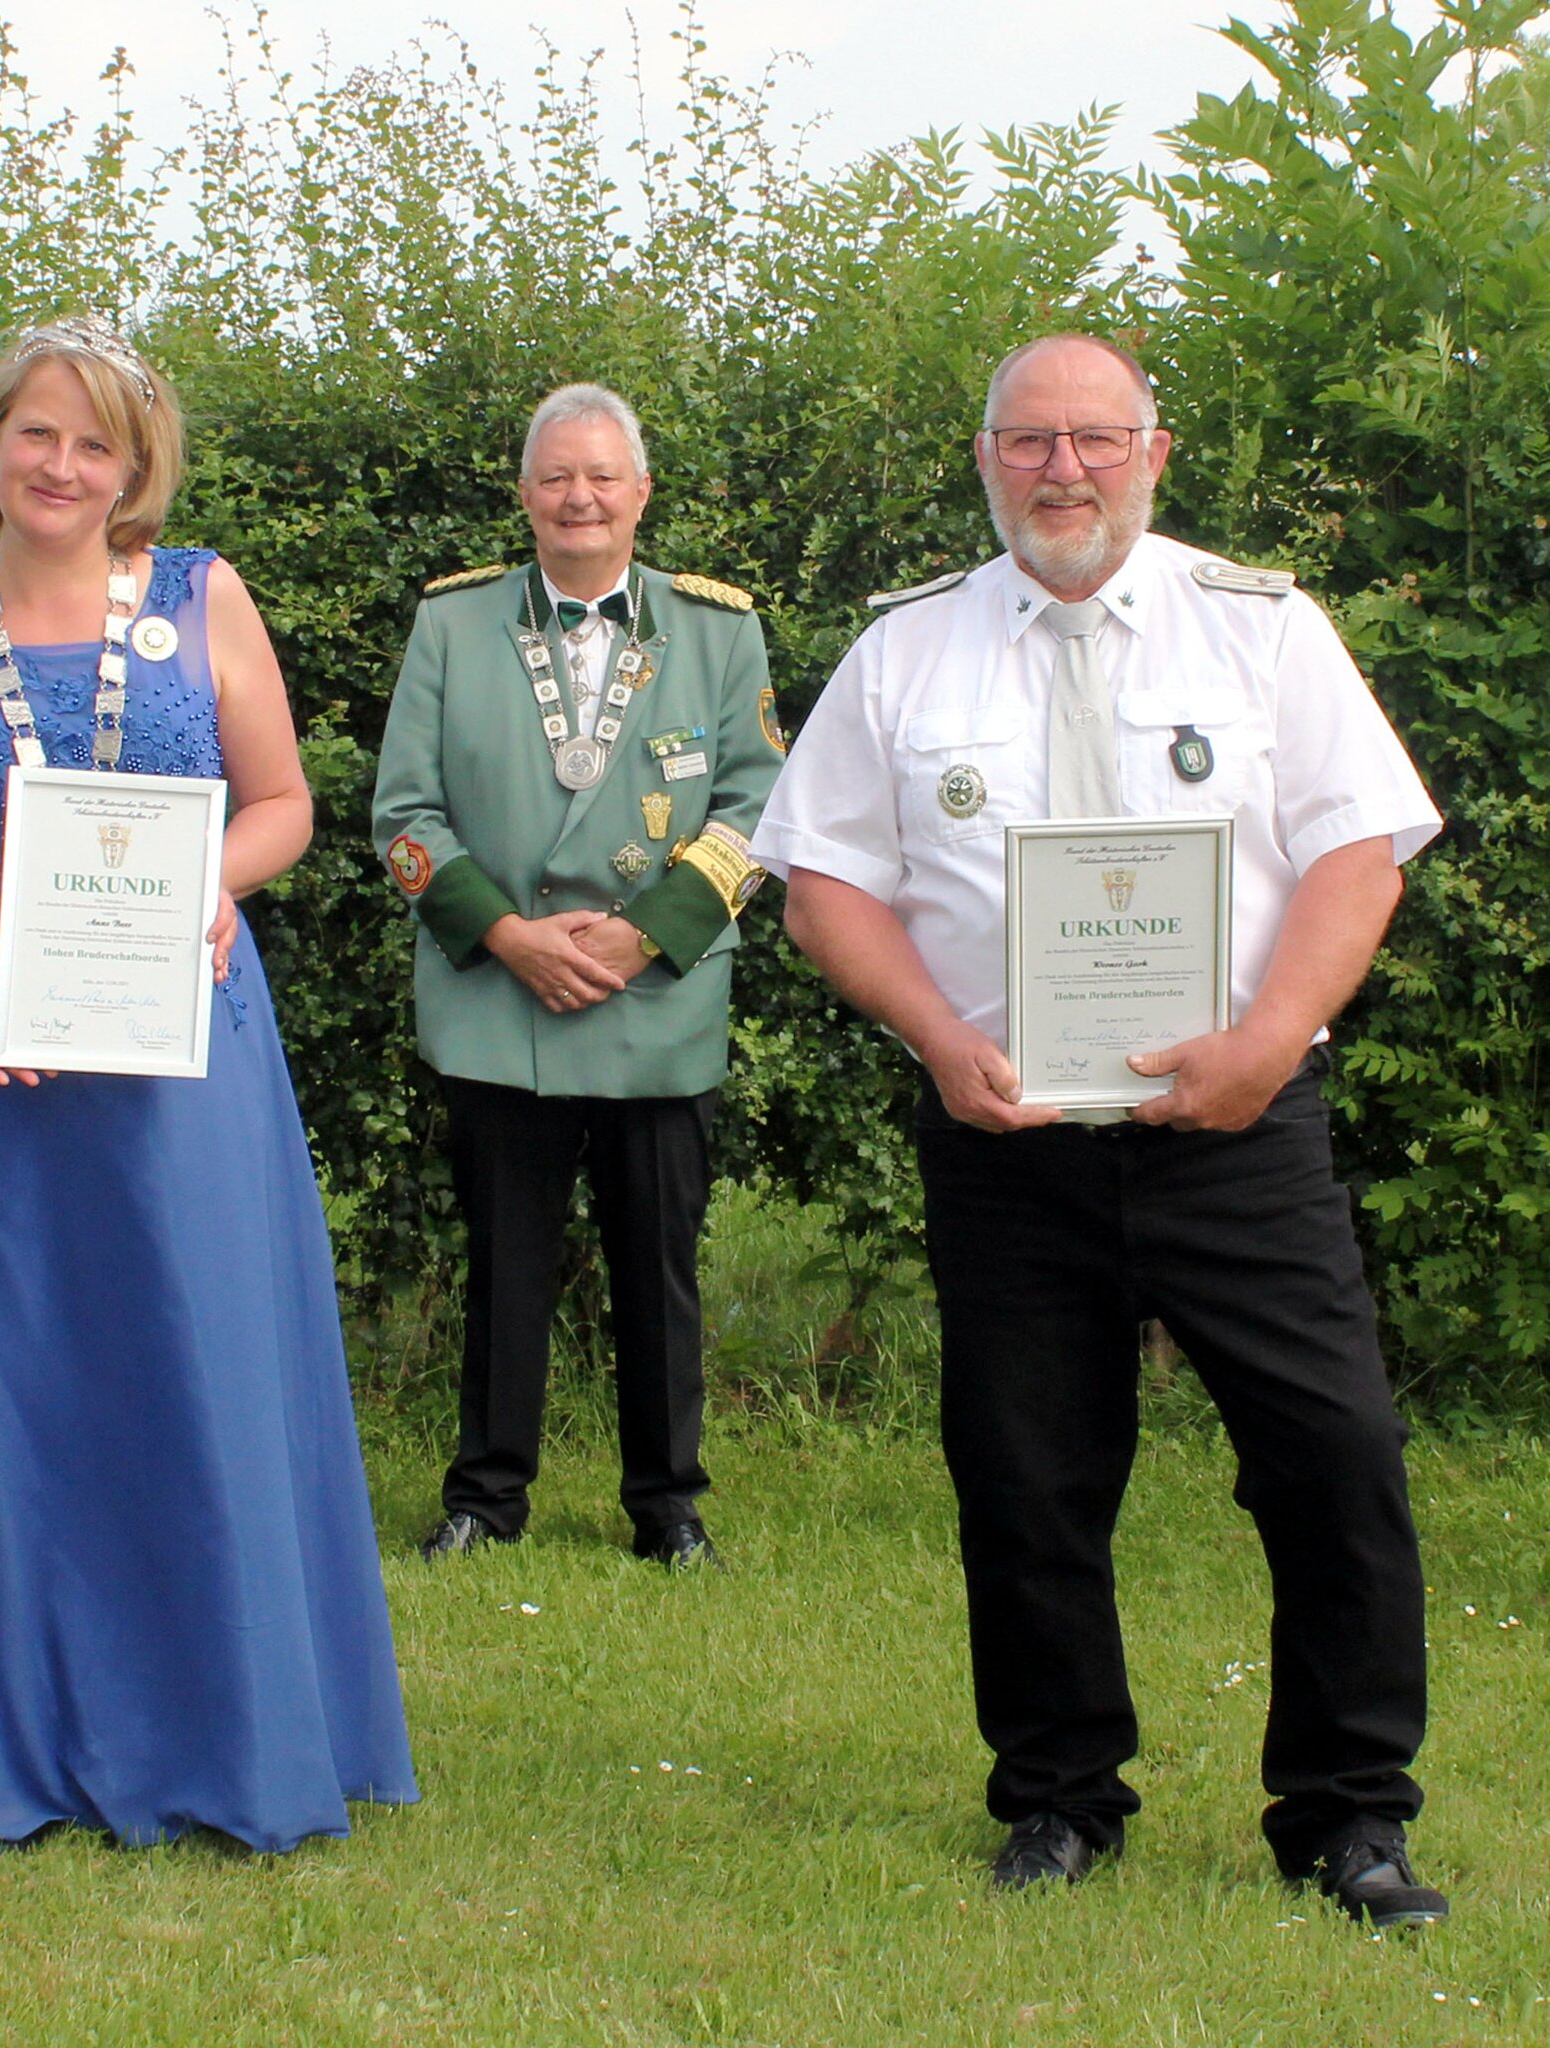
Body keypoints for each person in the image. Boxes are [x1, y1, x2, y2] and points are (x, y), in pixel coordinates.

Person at [751, 333, 1449, 1927]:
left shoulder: (1259, 632)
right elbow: (827, 885)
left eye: (1093, 439)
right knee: (1025, 1477)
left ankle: (1346, 1817)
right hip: (1006, 1136)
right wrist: (935, 1037)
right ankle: (1058, 1797)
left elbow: (1357, 857)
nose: (1060, 470)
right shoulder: (905, 653)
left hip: (1236, 1127)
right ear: (983, 457)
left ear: (1154, 450)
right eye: (1026, 443)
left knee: (1332, 1459)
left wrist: (1265, 1045)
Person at [0, 315, 417, 1850]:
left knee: (190, 1356)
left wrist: (212, 881)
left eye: (95, 443)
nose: (61, 466)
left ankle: (221, 1715)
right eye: (36, 434)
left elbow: (280, 802)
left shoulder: (207, 597)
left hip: (180, 1048)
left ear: (136, 466)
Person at [372, 383, 784, 1569]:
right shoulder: (451, 625)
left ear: (641, 492)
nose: (580, 496)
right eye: (556, 476)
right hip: (499, 999)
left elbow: (761, 802)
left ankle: (669, 1509)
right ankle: (485, 1498)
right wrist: (508, 936)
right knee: (504, 1260)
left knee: (659, 1266)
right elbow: (402, 812)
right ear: (524, 494)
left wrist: (646, 931)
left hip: (653, 999)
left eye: (603, 476)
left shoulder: (718, 630)